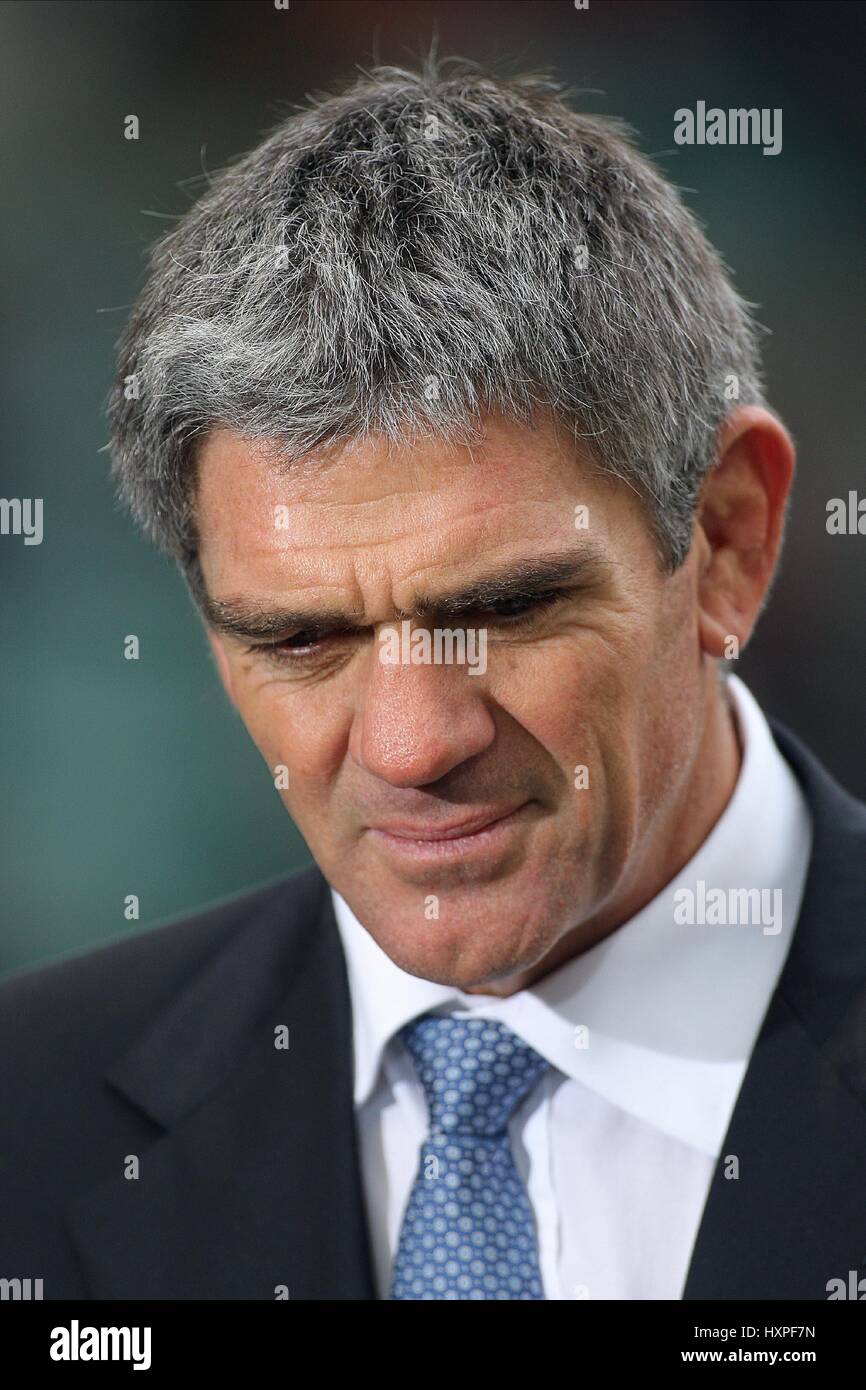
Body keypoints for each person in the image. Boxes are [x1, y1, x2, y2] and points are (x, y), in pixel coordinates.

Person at [2, 54, 864, 1302]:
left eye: (501, 608)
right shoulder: (29, 1116)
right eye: (299, 639)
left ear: (726, 537)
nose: (411, 745)